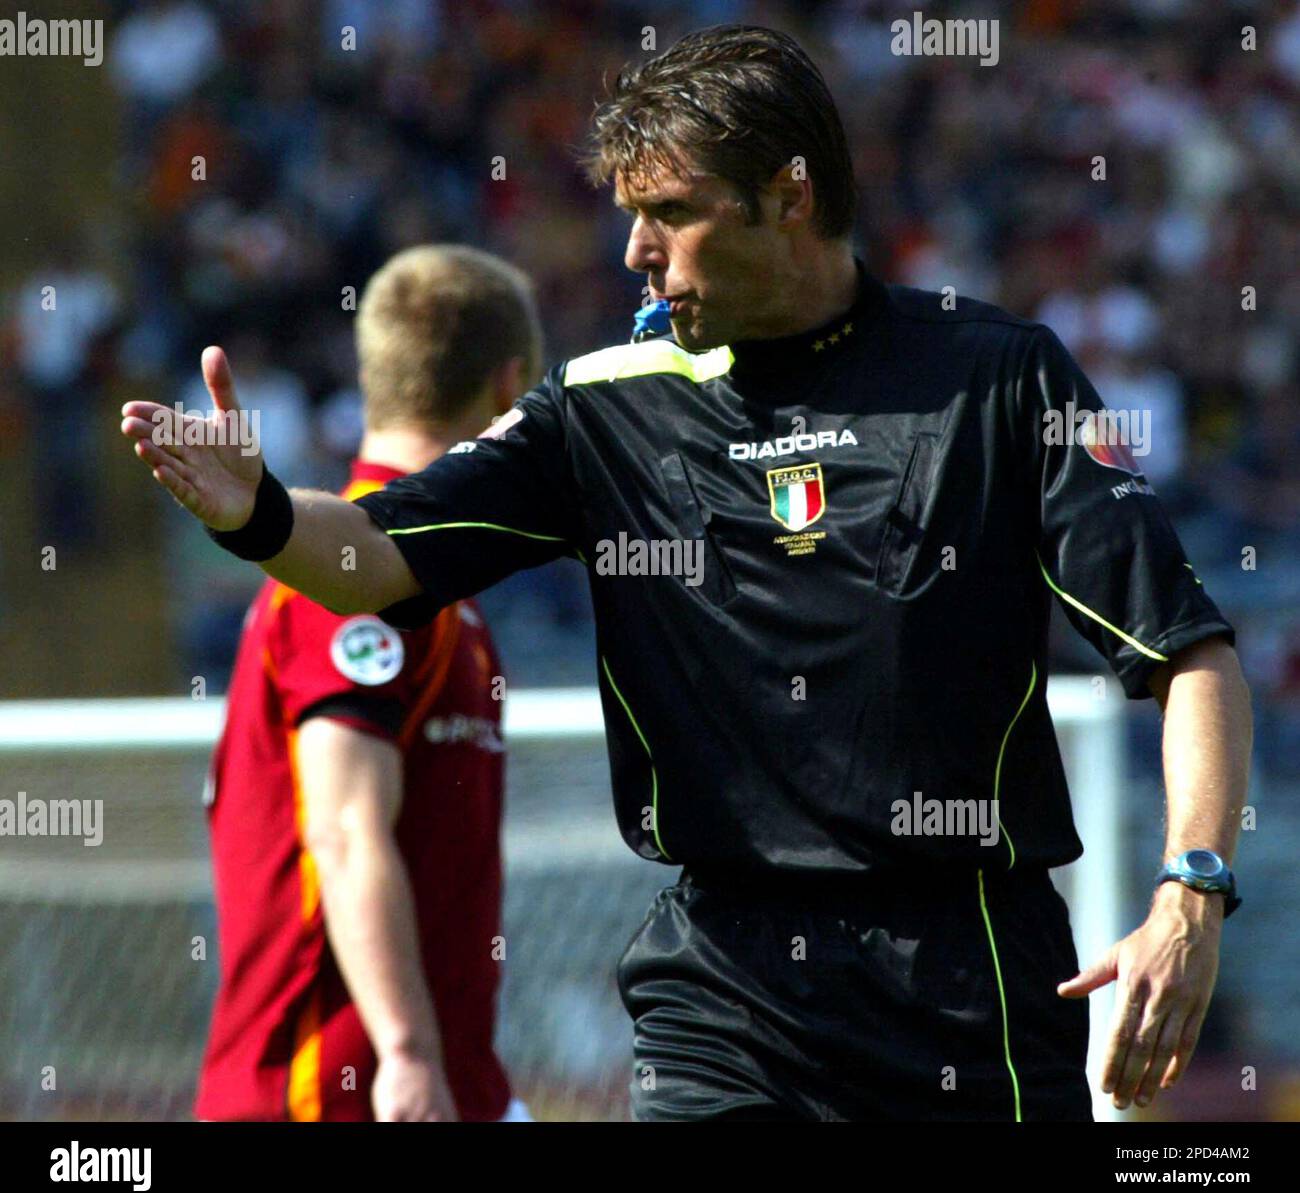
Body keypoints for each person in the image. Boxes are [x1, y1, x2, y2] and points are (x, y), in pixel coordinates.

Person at [125, 26, 1252, 1122]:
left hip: (969, 980)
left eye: (668, 213)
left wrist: (1189, 885)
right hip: (724, 985)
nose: (634, 252)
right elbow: (375, 558)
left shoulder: (998, 376)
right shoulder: (605, 405)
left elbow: (1187, 649)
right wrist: (261, 513)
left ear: (789, 194)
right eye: (628, 215)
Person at [189, 245, 540, 1122]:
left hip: (440, 1087)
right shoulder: (349, 574)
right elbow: (344, 831)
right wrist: (408, 1052)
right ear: (509, 386)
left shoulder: (424, 569)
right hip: (333, 1090)